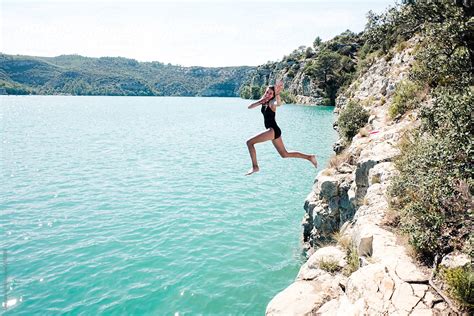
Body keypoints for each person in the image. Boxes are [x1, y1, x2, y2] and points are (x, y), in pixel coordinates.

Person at [245, 81, 318, 175]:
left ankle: (255, 167)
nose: (268, 94)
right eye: (267, 92)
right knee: (284, 154)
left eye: (271, 93)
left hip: (272, 130)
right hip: (275, 131)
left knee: (249, 142)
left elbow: (278, 103)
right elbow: (249, 107)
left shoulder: (272, 102)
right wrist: (261, 100)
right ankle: (309, 157)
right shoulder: (264, 102)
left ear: (273, 95)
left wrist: (278, 94)